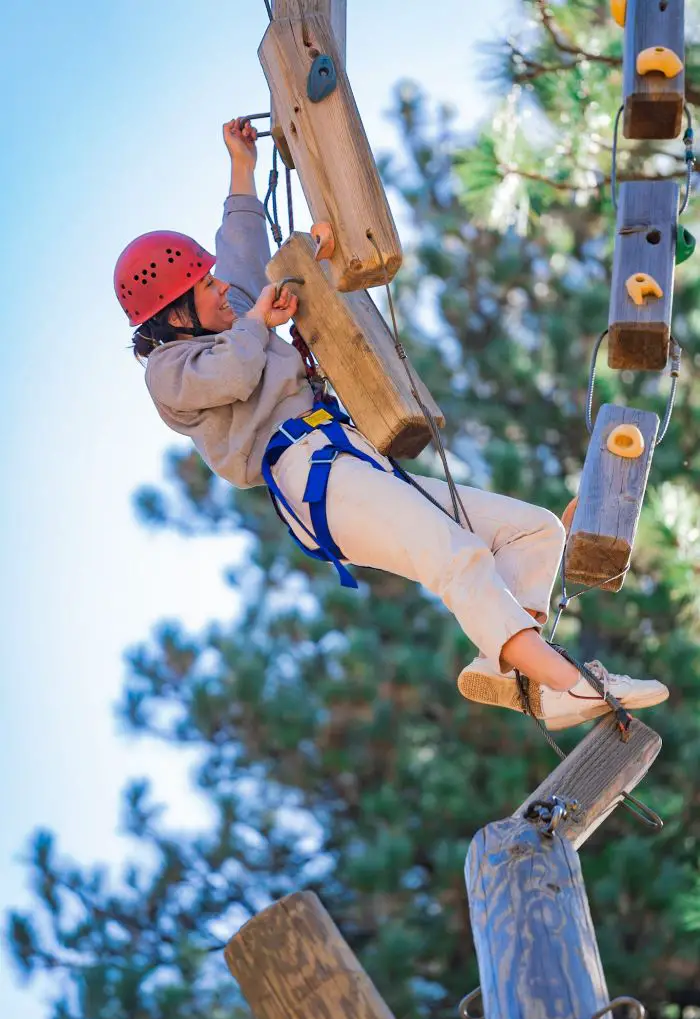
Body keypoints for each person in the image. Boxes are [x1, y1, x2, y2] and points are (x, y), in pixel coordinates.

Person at [113, 117, 669, 732]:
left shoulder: (232, 316)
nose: (222, 288)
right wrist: (258, 324)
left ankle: (504, 661)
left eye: (215, 279)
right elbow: (236, 373)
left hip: (349, 455)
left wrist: (242, 164)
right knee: (455, 556)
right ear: (175, 314)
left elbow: (241, 245)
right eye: (205, 286)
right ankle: (568, 684)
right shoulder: (171, 372)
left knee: (530, 532)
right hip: (309, 478)